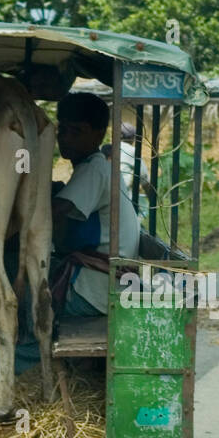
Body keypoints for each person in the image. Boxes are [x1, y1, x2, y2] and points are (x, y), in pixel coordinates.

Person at [51, 92, 141, 318]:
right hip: (102, 283)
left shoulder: (95, 168)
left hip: (94, 293)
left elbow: (52, 213)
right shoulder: (94, 167)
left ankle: (30, 354)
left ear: (99, 134)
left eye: (76, 131)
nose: (66, 138)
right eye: (62, 130)